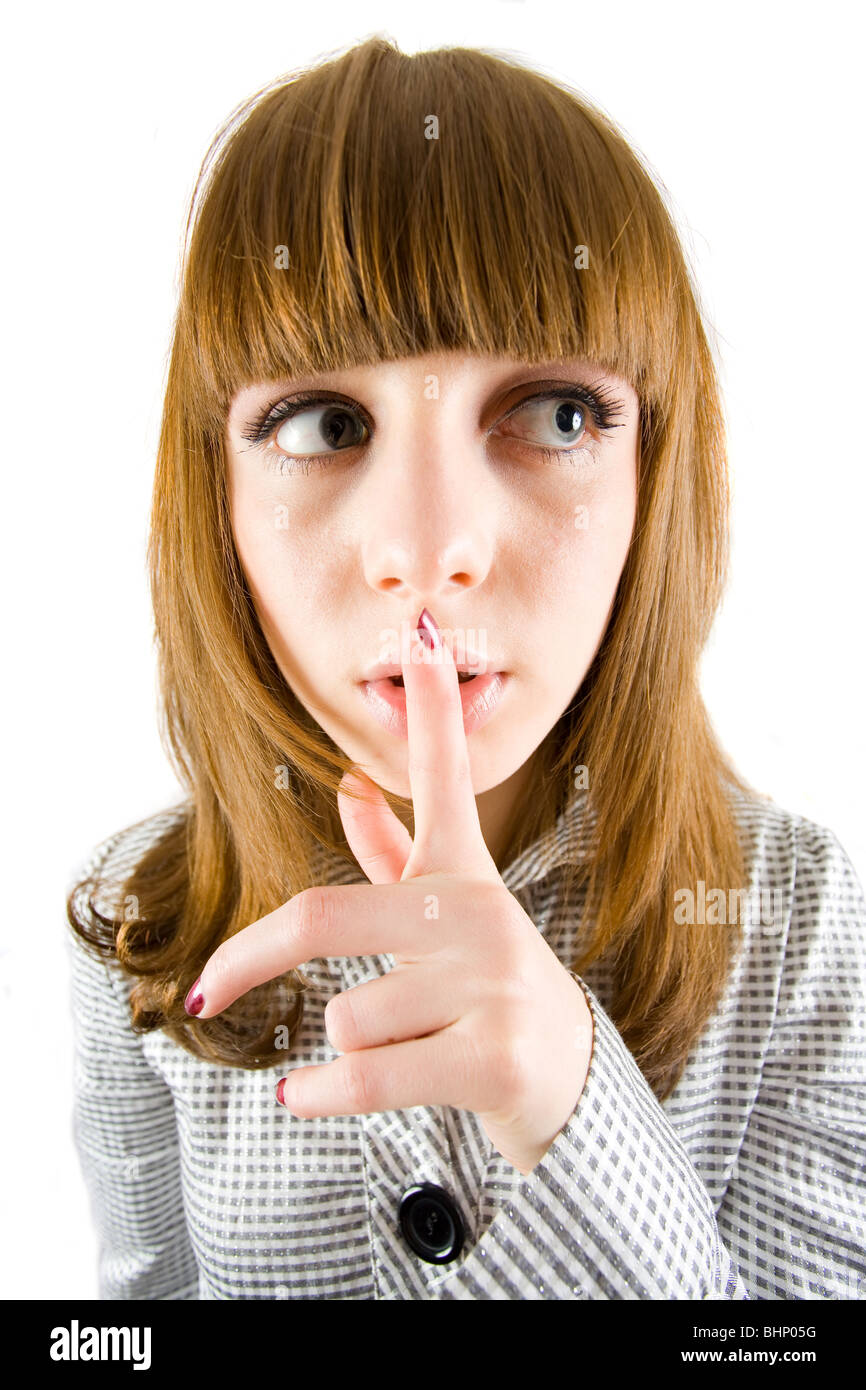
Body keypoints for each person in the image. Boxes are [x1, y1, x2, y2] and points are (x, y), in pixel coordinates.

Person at [66, 35, 866, 1301]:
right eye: (323, 426)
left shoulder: (800, 921)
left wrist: (569, 1109)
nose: (430, 552)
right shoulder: (136, 916)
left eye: (554, 415)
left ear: (655, 477)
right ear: (211, 495)